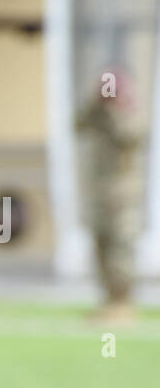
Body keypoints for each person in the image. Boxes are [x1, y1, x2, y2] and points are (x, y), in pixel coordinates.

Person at [75, 69, 147, 325]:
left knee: (120, 251)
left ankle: (123, 304)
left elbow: (130, 136)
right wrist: (97, 103)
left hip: (123, 200)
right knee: (101, 248)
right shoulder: (97, 115)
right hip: (99, 198)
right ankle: (107, 302)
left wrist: (118, 107)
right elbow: (78, 124)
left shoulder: (130, 115)